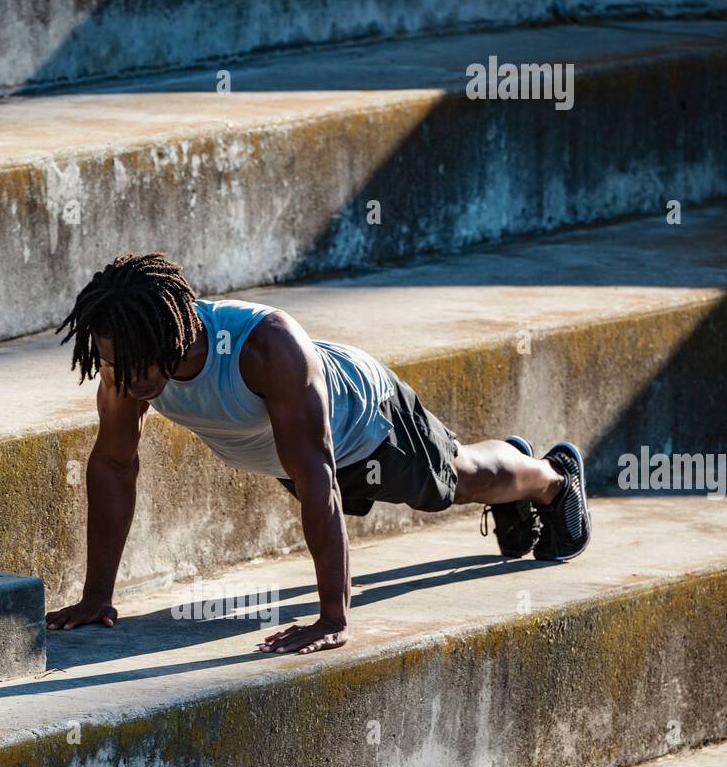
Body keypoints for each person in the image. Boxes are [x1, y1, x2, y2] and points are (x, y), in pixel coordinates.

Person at [48, 253, 591, 655]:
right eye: (112, 360)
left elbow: (319, 476)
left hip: (367, 421)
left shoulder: (266, 347)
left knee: (458, 481)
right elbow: (115, 465)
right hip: (286, 451)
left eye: (138, 362)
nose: (126, 375)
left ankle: (550, 480)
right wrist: (97, 597)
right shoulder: (125, 366)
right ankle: (520, 470)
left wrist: (332, 617)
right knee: (444, 479)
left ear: (176, 334)